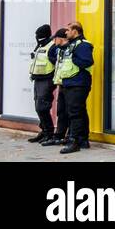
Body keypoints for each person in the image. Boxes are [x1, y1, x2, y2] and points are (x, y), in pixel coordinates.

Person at [47, 21, 93, 154]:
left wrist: (74, 58)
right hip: (69, 83)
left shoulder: (83, 45)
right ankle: (83, 140)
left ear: (75, 31)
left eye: (68, 30)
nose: (66, 32)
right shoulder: (70, 45)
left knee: (75, 113)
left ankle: (75, 141)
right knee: (79, 112)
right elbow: (54, 54)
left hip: (78, 83)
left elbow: (87, 61)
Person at [40, 29, 70, 148]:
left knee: (71, 112)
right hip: (61, 83)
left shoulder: (69, 49)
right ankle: (59, 136)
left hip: (70, 84)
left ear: (61, 38)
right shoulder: (59, 50)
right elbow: (55, 61)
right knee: (61, 111)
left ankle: (68, 136)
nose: (53, 40)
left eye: (55, 38)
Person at [27, 25, 56, 143]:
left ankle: (49, 133)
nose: (37, 37)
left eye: (38, 35)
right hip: (38, 79)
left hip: (47, 80)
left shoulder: (52, 46)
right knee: (38, 107)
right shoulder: (40, 45)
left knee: (42, 107)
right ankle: (44, 131)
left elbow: (56, 63)